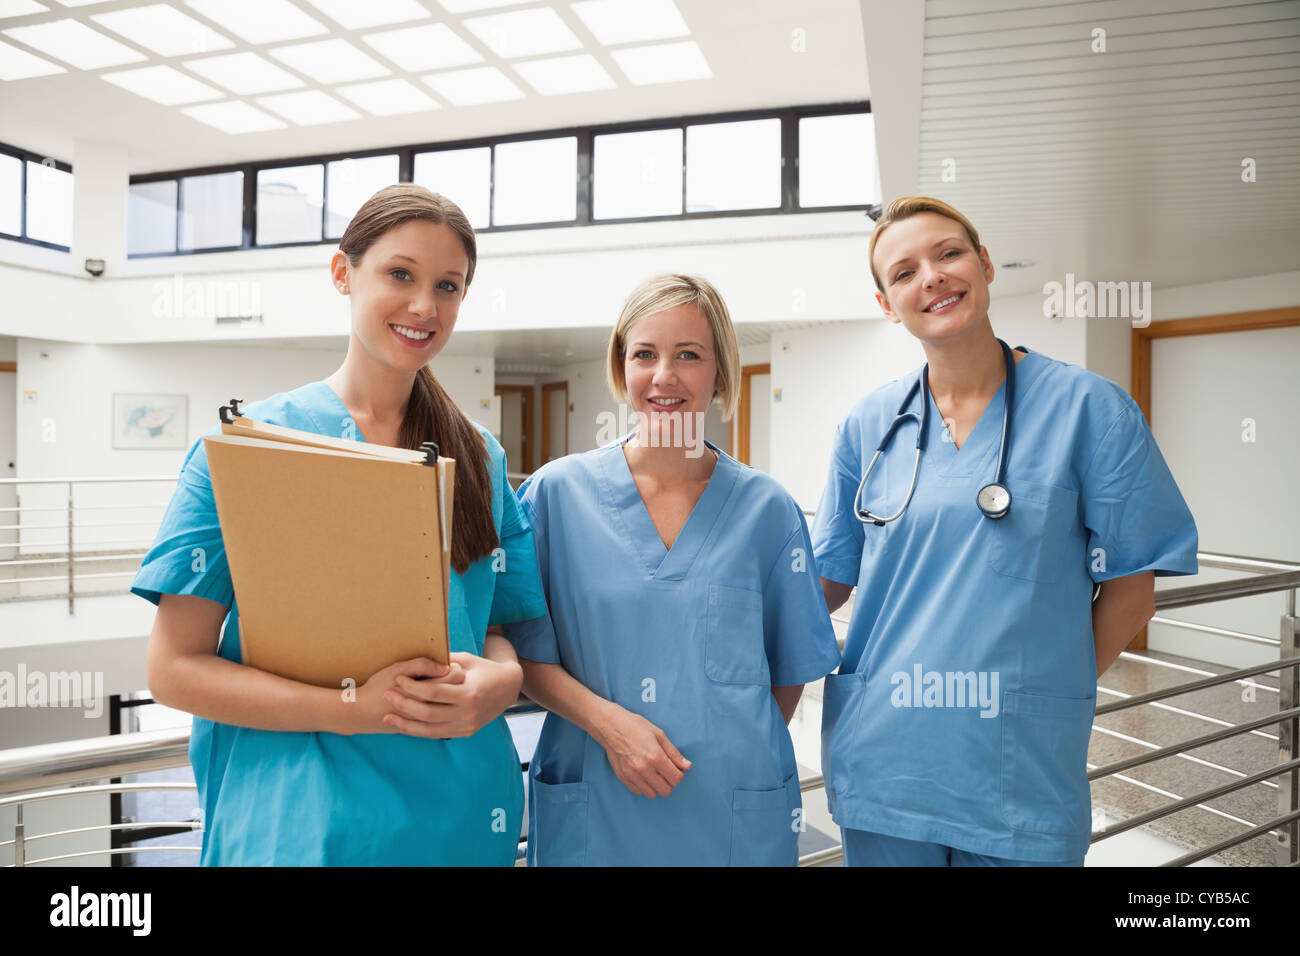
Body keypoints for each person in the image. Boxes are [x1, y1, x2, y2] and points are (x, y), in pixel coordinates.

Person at [132, 184, 547, 866]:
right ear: (342, 273)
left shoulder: (478, 455)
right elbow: (175, 669)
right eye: (400, 275)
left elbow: (497, 634)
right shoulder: (247, 449)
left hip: (458, 821)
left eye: (448, 285)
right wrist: (353, 708)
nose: (424, 306)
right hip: (297, 830)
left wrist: (497, 686)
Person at [813, 196, 1198, 867]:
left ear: (985, 265)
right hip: (885, 760)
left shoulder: (1091, 411)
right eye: (903, 273)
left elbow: (1131, 595)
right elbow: (827, 584)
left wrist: (1038, 694)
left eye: (948, 254)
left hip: (1019, 771)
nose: (929, 277)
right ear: (886, 304)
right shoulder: (868, 426)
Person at [503, 274, 841, 866]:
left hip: (731, 816)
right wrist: (609, 726)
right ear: (621, 366)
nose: (665, 377)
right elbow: (525, 656)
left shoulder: (767, 509)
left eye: (689, 355)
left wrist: (728, 749)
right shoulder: (558, 496)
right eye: (644, 354)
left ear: (719, 373)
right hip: (598, 809)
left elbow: (788, 669)